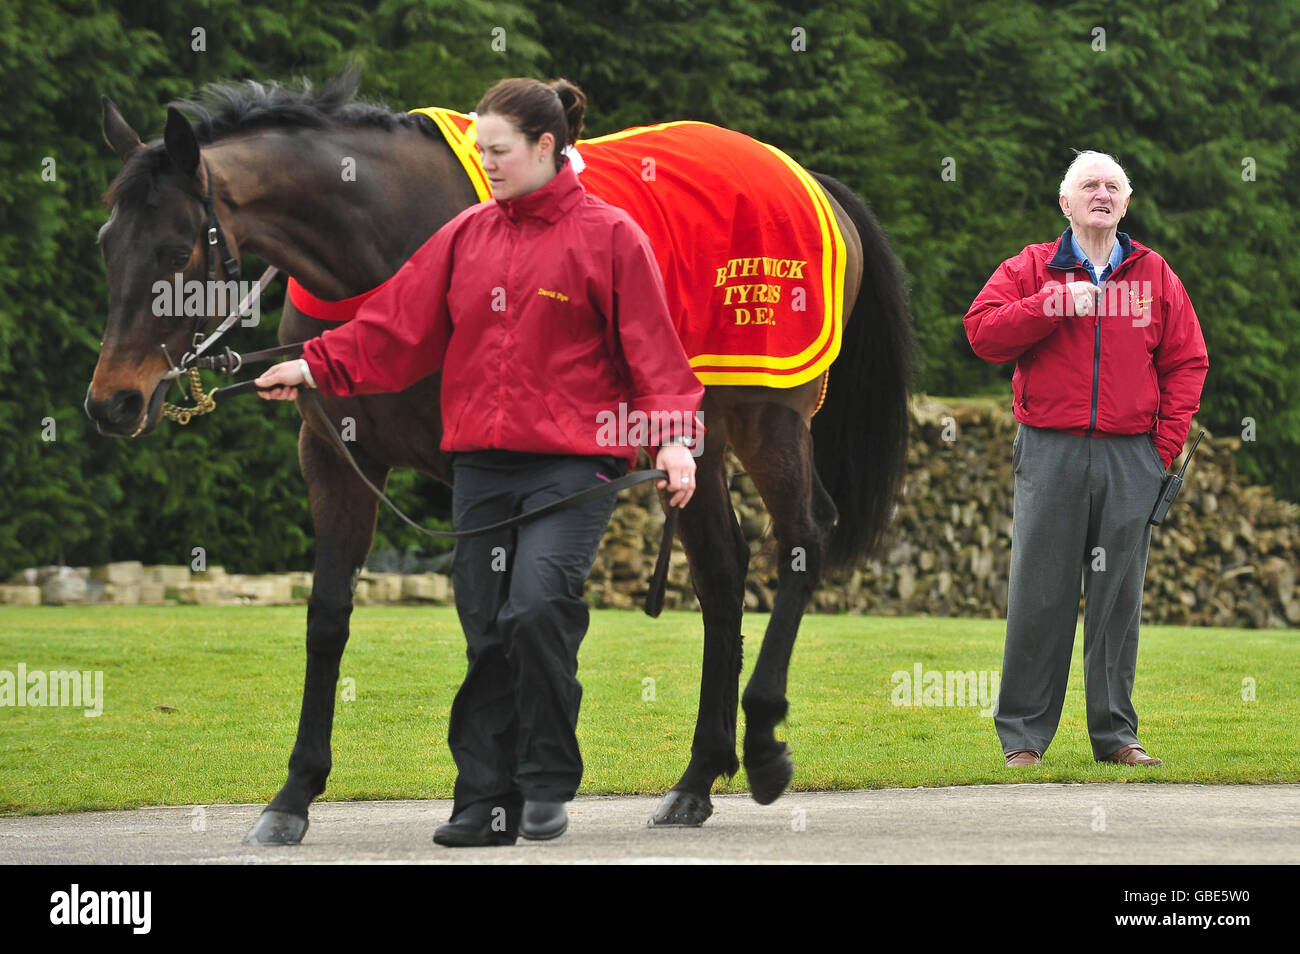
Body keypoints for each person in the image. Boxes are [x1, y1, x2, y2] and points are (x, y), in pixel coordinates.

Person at [255, 77, 705, 845]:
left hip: (573, 466)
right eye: (478, 151)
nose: (486, 164)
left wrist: (671, 440)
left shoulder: (610, 236)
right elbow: (396, 328)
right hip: (482, 468)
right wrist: (311, 365)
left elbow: (655, 355)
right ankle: (483, 801)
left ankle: (544, 781)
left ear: (543, 147)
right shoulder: (465, 235)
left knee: (534, 611)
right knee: (486, 631)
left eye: (497, 151)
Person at [963, 150, 1208, 769]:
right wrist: (1050, 305)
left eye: (1113, 186)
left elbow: (1186, 361)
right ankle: (1023, 738)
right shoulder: (1031, 267)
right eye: (1089, 185)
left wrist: (1161, 448)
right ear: (1065, 201)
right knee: (1038, 595)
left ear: (1126, 203)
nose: (1102, 194)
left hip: (1133, 455)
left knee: (1117, 600)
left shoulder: (1155, 275)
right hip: (1049, 450)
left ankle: (1116, 737)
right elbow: (982, 332)